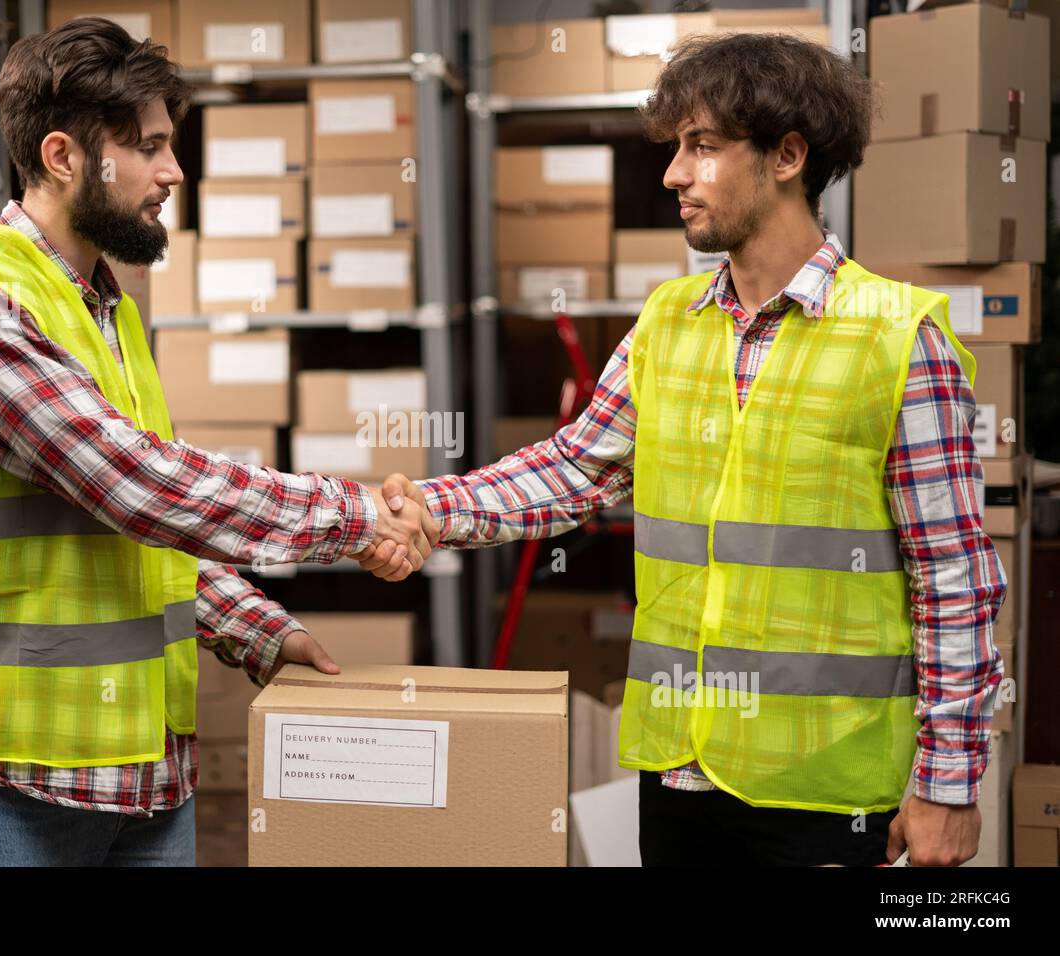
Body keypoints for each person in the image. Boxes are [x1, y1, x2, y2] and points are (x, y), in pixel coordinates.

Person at [376, 32, 1007, 867]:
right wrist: (431, 509)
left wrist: (949, 783)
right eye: (677, 148)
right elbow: (575, 469)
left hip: (829, 791)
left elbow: (953, 579)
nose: (674, 173)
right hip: (678, 777)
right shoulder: (666, 322)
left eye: (702, 148)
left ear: (787, 156)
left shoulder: (899, 338)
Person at [0, 17, 437, 867]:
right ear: (64, 157)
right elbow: (140, 486)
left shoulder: (109, 311)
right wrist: (356, 514)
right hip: (21, 789)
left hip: (152, 783)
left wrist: (259, 631)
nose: (173, 172)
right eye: (148, 147)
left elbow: (141, 539)